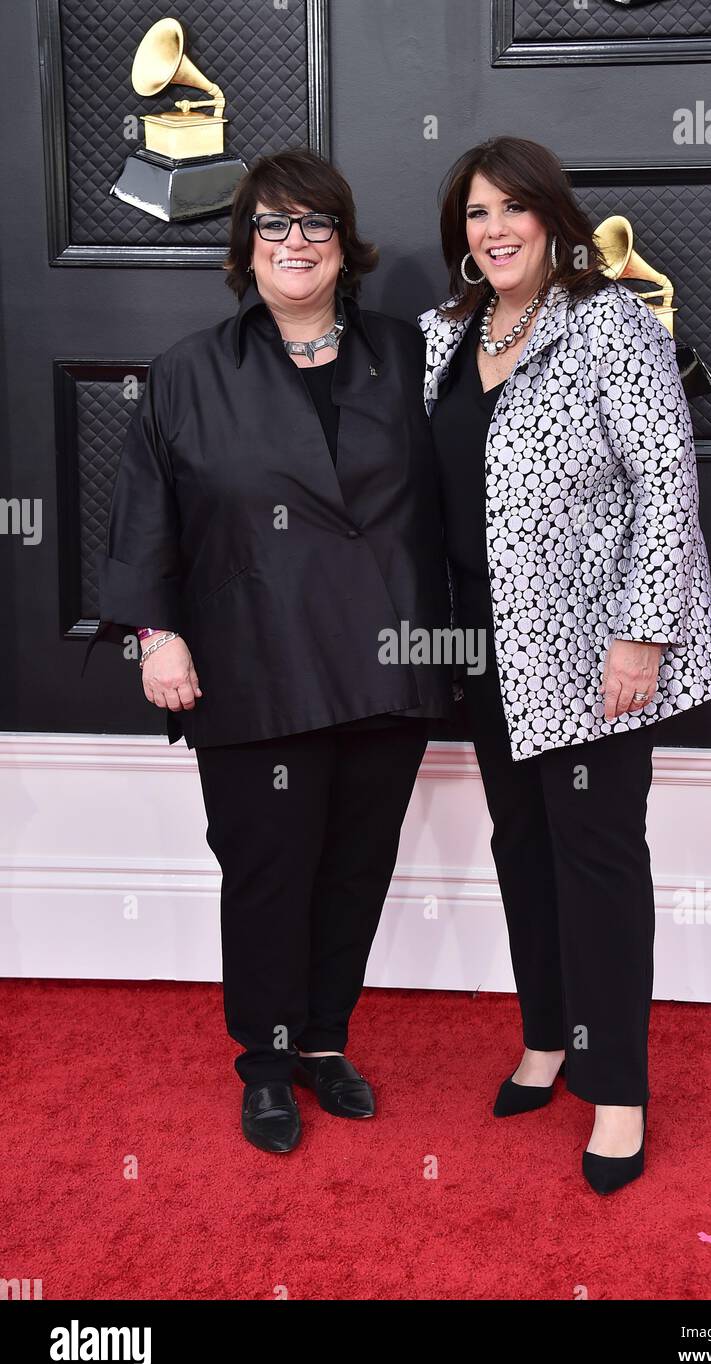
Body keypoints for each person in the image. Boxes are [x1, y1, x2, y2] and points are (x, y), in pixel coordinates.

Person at [82, 148, 452, 1154]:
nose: (296, 243)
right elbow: (146, 515)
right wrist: (155, 635)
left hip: (386, 661)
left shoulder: (414, 356)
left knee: (352, 868)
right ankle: (266, 1062)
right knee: (265, 871)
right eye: (273, 226)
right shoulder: (189, 372)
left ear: (345, 245)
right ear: (247, 248)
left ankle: (326, 1044)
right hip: (249, 665)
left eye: (315, 225)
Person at [419, 136, 711, 1194]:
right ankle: (547, 1036)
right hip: (479, 649)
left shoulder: (610, 328)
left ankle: (616, 1088)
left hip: (593, 654)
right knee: (520, 844)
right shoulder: (445, 336)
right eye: (474, 214)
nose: (494, 229)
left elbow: (665, 489)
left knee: (595, 863)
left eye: (512, 209)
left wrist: (641, 635)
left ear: (551, 217)